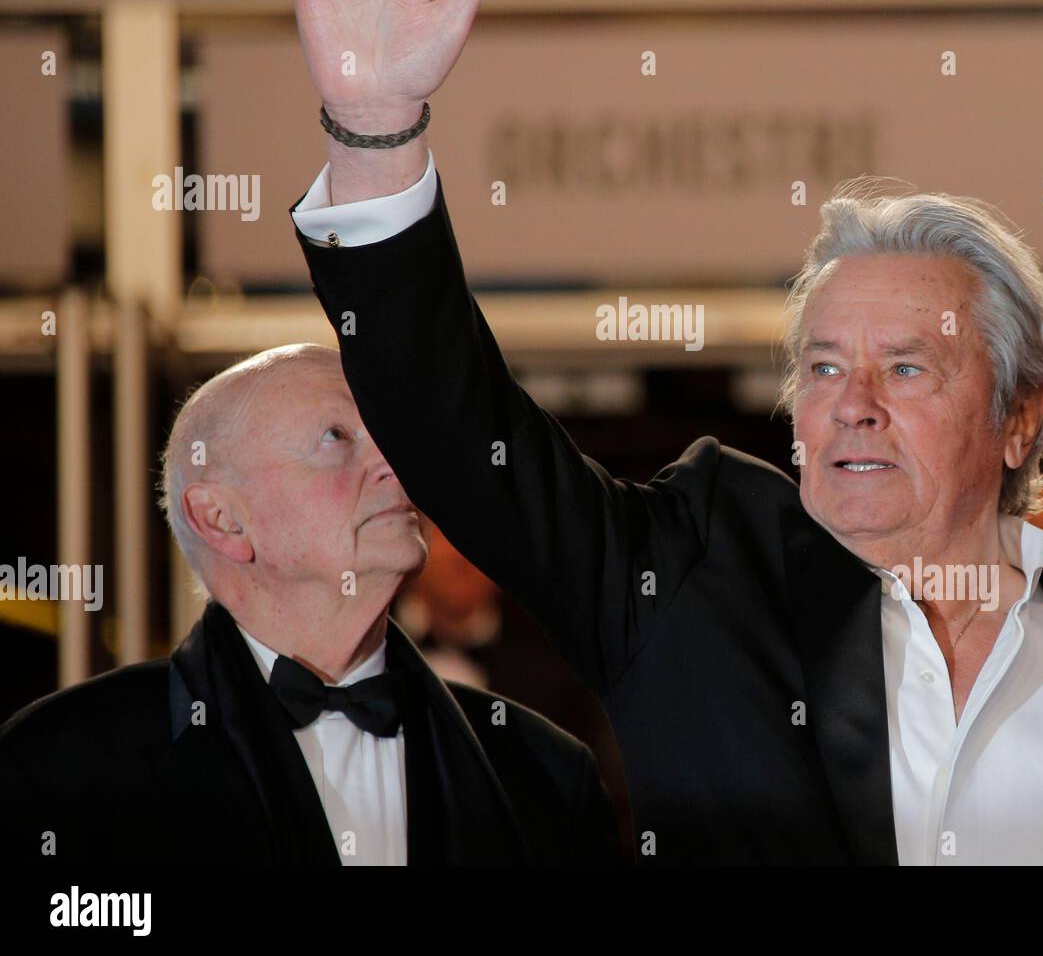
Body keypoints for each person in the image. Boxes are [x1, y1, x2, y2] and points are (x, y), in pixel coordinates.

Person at [275, 0, 1043, 864]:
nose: (854, 401)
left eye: (909, 367)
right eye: (824, 365)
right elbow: (454, 425)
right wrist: (376, 126)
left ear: (1021, 414)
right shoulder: (698, 580)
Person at [0, 344, 619, 866]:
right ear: (221, 520)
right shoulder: (58, 768)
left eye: (390, 436)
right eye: (337, 438)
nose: (397, 466)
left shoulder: (547, 775)